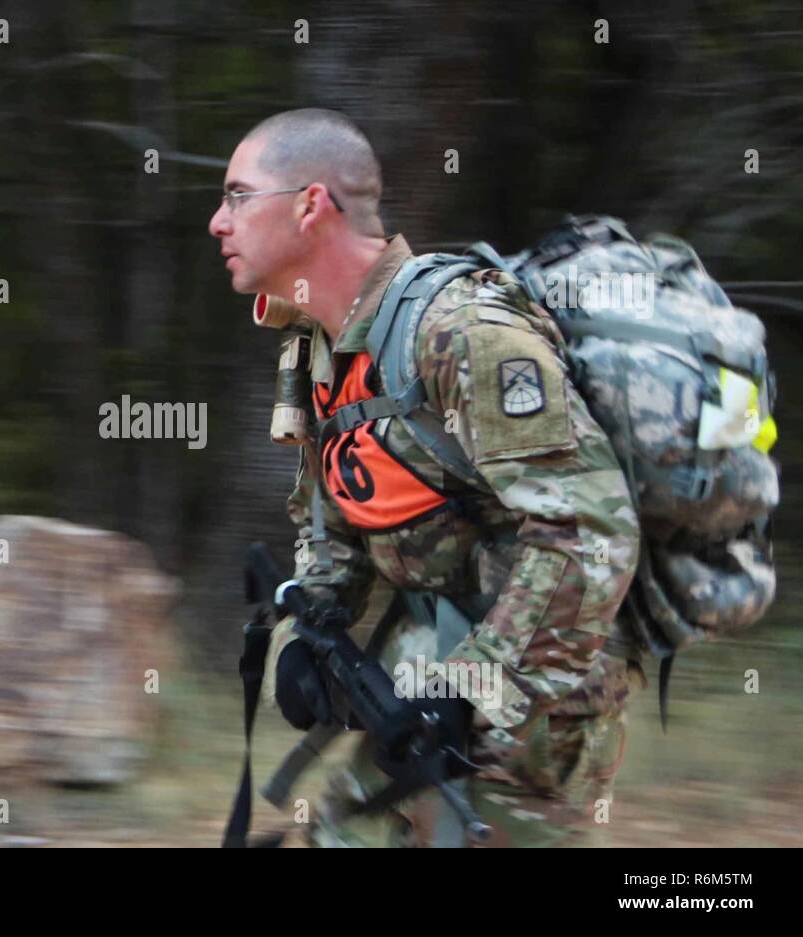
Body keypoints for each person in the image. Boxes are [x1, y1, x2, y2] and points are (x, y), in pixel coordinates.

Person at [208, 108, 645, 847]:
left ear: (311, 205)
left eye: (237, 195)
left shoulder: (461, 332)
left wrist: (473, 691)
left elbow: (591, 533)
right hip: (424, 671)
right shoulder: (318, 344)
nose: (219, 221)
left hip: (541, 692)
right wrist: (318, 618)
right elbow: (344, 505)